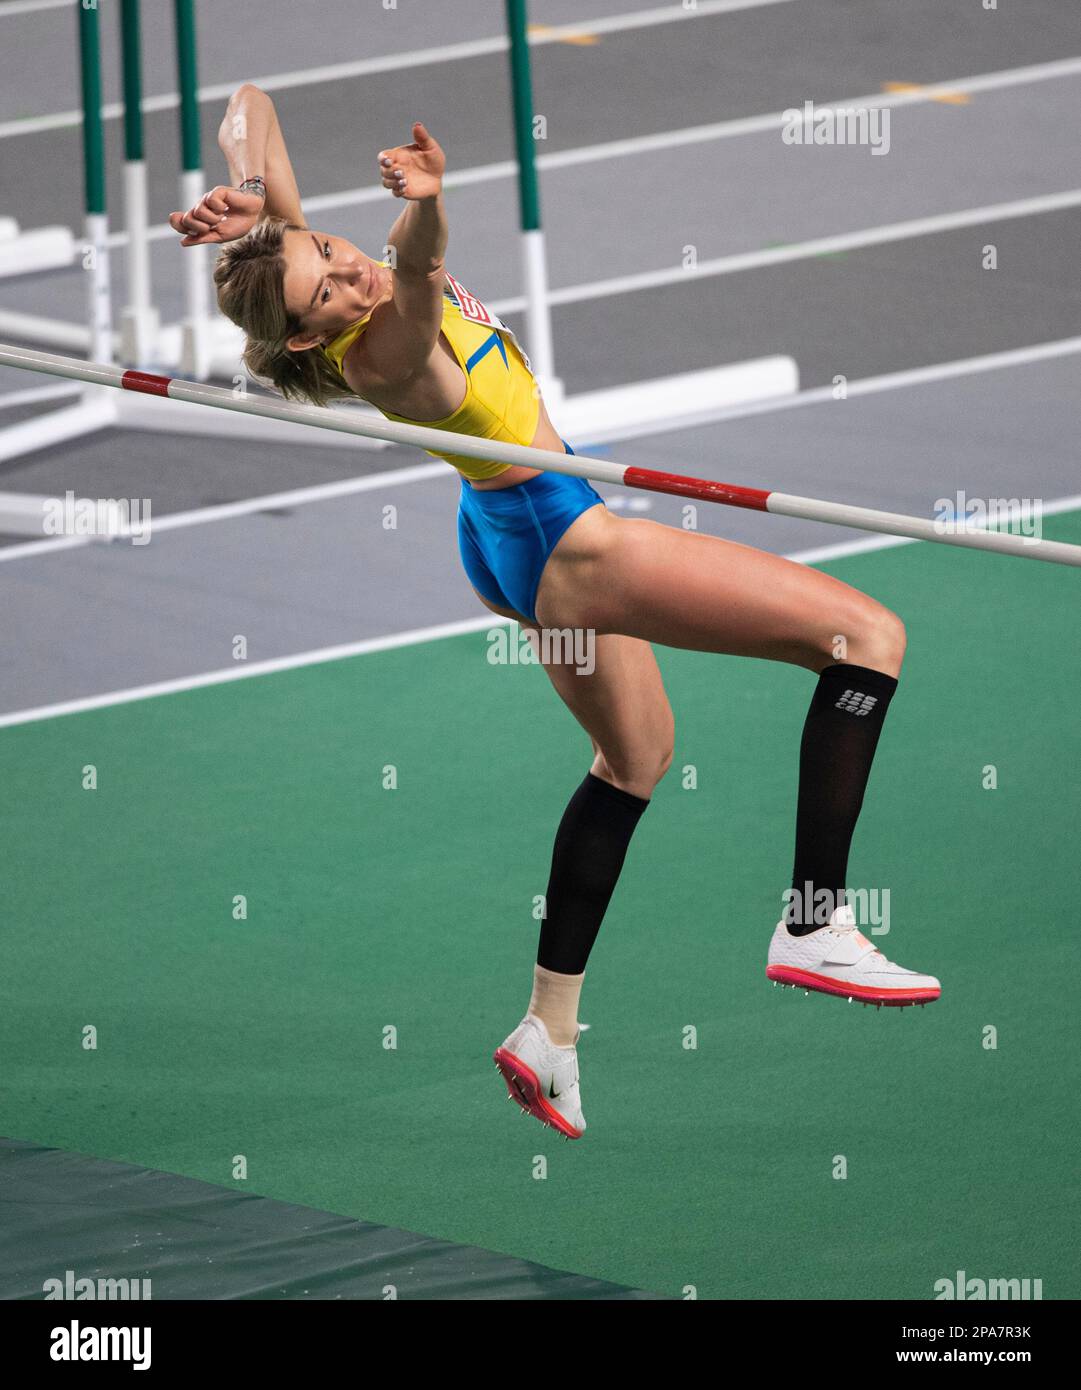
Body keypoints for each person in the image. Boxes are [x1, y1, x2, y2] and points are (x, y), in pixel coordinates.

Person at [170, 85, 940, 1142]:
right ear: (304, 341)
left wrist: (255, 198)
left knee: (634, 760)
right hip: (566, 540)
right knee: (867, 637)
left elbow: (247, 103)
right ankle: (813, 922)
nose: (344, 268)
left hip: (505, 534)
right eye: (323, 286)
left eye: (337, 251)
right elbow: (416, 266)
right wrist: (428, 200)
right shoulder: (382, 349)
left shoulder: (317, 264)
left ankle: (548, 1030)